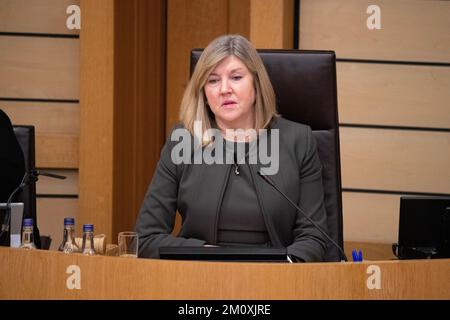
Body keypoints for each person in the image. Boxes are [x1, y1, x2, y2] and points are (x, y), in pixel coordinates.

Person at [135, 34, 328, 262]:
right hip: (200, 277)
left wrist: (281, 266)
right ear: (204, 94)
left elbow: (315, 238)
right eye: (213, 80)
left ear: (257, 84)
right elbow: (145, 239)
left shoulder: (298, 140)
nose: (224, 89)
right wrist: (207, 254)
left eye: (236, 77)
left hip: (275, 280)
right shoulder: (183, 141)